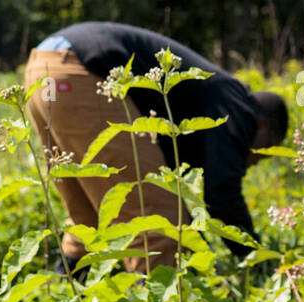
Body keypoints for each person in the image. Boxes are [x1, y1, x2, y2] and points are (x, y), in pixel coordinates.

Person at [22, 22, 288, 277]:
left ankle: (67, 298)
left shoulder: (212, 98)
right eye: (266, 150)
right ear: (262, 125)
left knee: (88, 215)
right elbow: (221, 192)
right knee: (159, 225)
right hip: (84, 72)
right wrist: (257, 259)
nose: (256, 161)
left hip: (44, 69)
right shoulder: (239, 105)